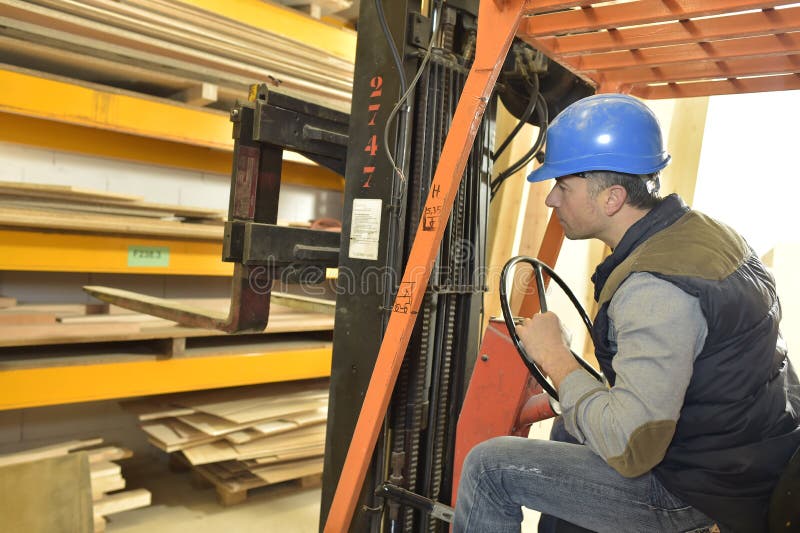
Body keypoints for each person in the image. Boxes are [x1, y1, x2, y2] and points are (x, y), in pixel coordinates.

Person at [453, 94, 800, 532]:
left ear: (613, 198)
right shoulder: (705, 234)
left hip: (697, 491)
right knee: (568, 428)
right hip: (745, 457)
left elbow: (630, 446)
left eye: (563, 186)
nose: (550, 200)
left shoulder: (655, 287)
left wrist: (555, 356)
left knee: (489, 468)